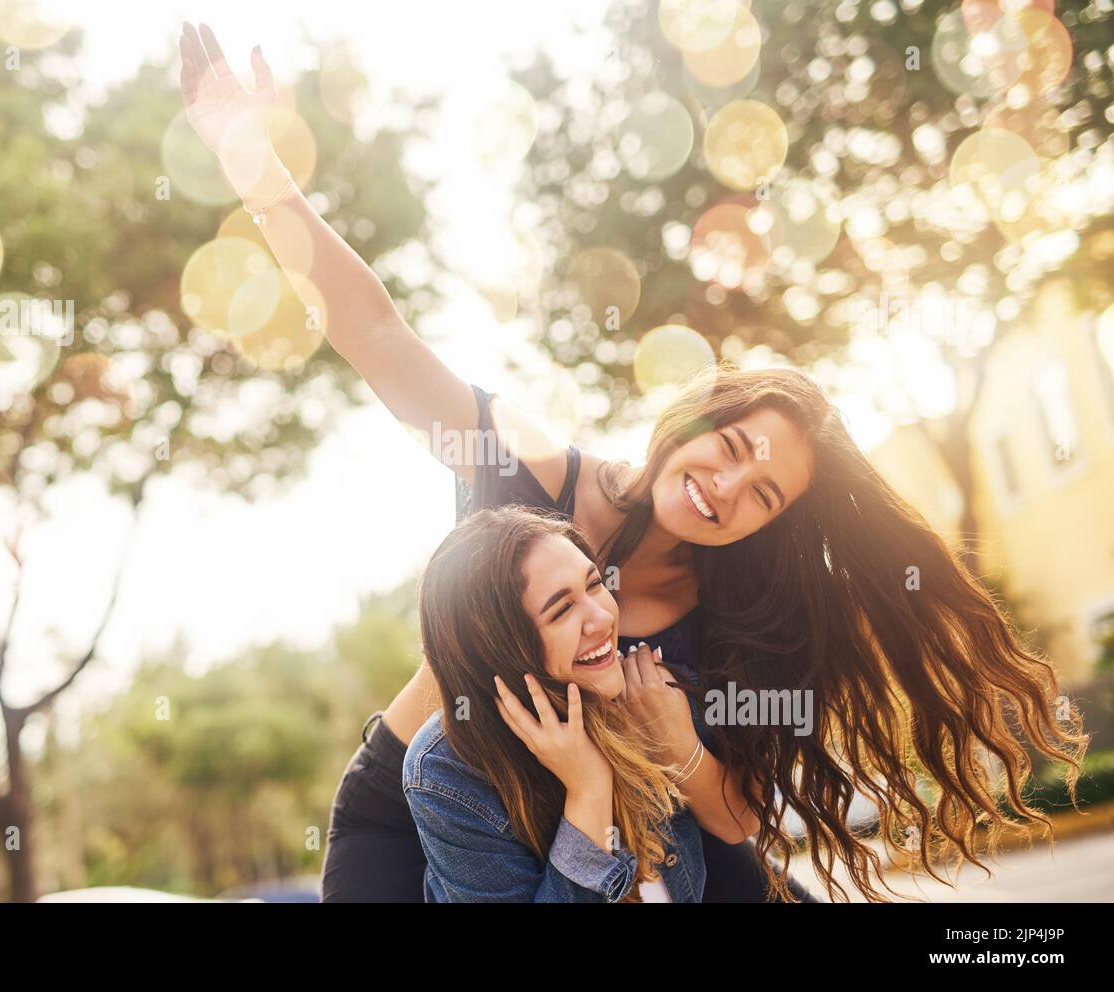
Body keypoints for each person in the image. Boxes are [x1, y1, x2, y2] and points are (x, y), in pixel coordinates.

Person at [176, 24, 1089, 903]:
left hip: (630, 817)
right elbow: (377, 333)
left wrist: (678, 740)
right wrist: (258, 174)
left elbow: (733, 816)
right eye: (729, 449)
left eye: (763, 493)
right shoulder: (536, 473)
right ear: (691, 418)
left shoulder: (740, 613)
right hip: (422, 814)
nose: (727, 488)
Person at [405, 506, 707, 902]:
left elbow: (742, 822)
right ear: (504, 650)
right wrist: (588, 790)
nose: (601, 618)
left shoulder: (646, 695)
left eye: (595, 584)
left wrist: (683, 744)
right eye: (562, 609)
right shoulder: (447, 774)